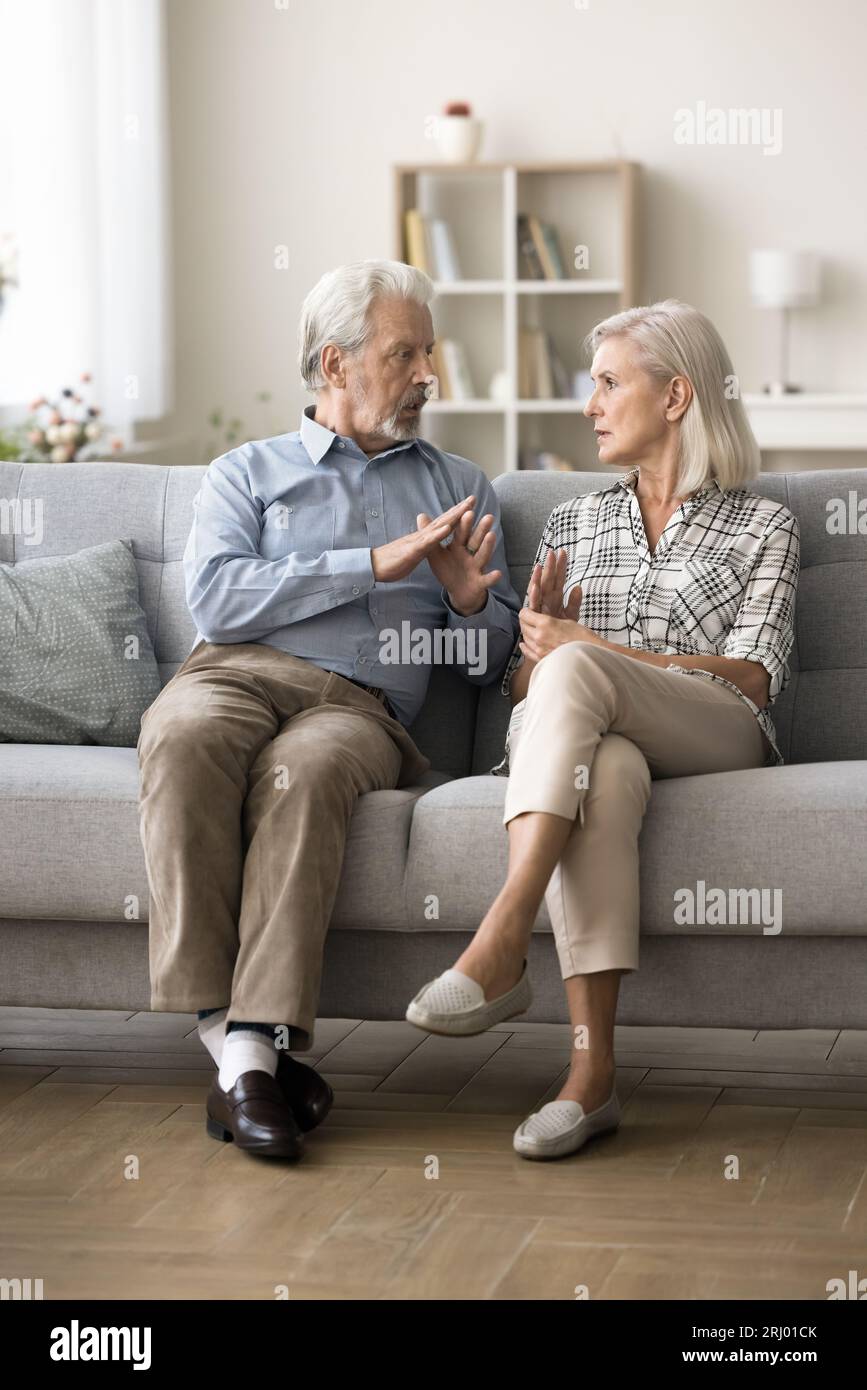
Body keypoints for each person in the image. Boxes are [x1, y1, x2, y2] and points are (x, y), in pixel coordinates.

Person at [137, 259, 520, 1160]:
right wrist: (371, 565)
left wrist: (468, 605)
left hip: (360, 706)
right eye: (404, 353)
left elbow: (493, 669)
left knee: (305, 772)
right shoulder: (247, 472)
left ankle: (243, 1056)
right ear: (334, 363)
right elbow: (219, 604)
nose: (427, 373)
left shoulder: (458, 485)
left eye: (429, 352)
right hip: (230, 673)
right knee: (183, 736)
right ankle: (240, 1050)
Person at [405, 300, 800, 1161]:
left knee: (579, 669)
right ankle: (591, 1081)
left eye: (608, 383)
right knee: (607, 772)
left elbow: (751, 677)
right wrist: (516, 633)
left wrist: (583, 647)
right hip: (604, 741)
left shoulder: (762, 524)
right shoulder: (572, 523)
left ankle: (502, 936)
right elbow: (524, 689)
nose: (588, 404)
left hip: (715, 734)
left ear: (675, 395)